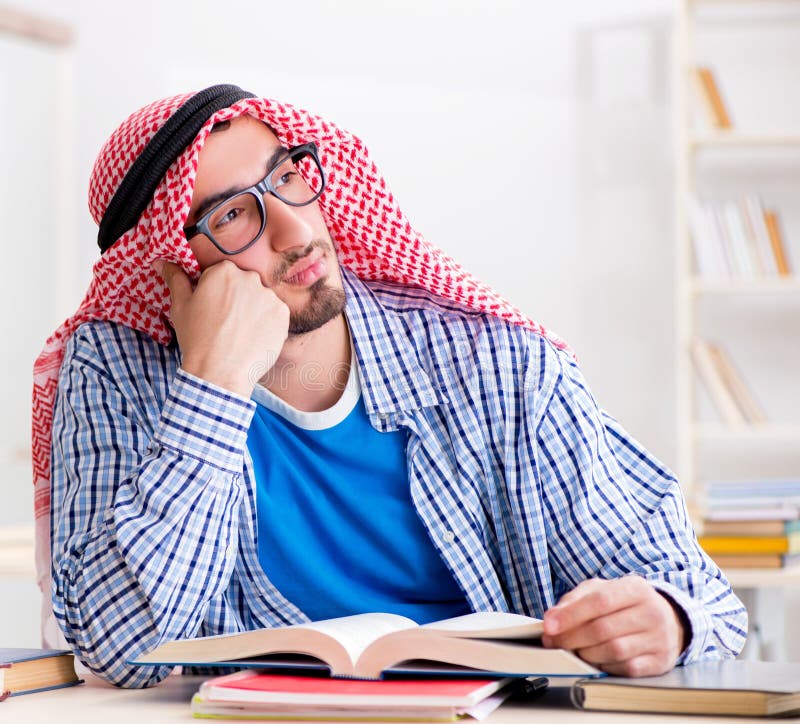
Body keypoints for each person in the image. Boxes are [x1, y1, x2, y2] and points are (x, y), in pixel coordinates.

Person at [33, 85, 746, 689]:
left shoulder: (494, 364)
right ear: (169, 269)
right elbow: (118, 646)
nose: (294, 230)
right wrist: (212, 388)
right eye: (231, 215)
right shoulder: (116, 372)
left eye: (285, 178)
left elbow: (705, 598)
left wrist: (667, 620)